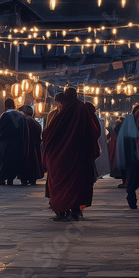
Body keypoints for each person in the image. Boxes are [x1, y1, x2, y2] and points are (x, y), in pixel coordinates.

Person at [43, 88, 100, 221]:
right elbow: (95, 130)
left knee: (62, 183)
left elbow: (48, 134)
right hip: (80, 155)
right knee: (77, 183)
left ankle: (62, 210)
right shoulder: (83, 109)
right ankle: (75, 211)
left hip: (61, 156)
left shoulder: (62, 113)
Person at [0, 98, 26, 185]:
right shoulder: (21, 116)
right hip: (18, 144)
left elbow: (0, 130)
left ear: (5, 106)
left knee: (3, 161)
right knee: (14, 161)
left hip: (6, 144)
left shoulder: (5, 116)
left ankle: (1, 178)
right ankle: (11, 179)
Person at [19, 105, 45, 186]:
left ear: (25, 113)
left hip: (26, 147)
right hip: (35, 147)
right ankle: (33, 179)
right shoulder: (36, 123)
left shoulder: (25, 121)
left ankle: (24, 179)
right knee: (34, 164)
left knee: (26, 164)